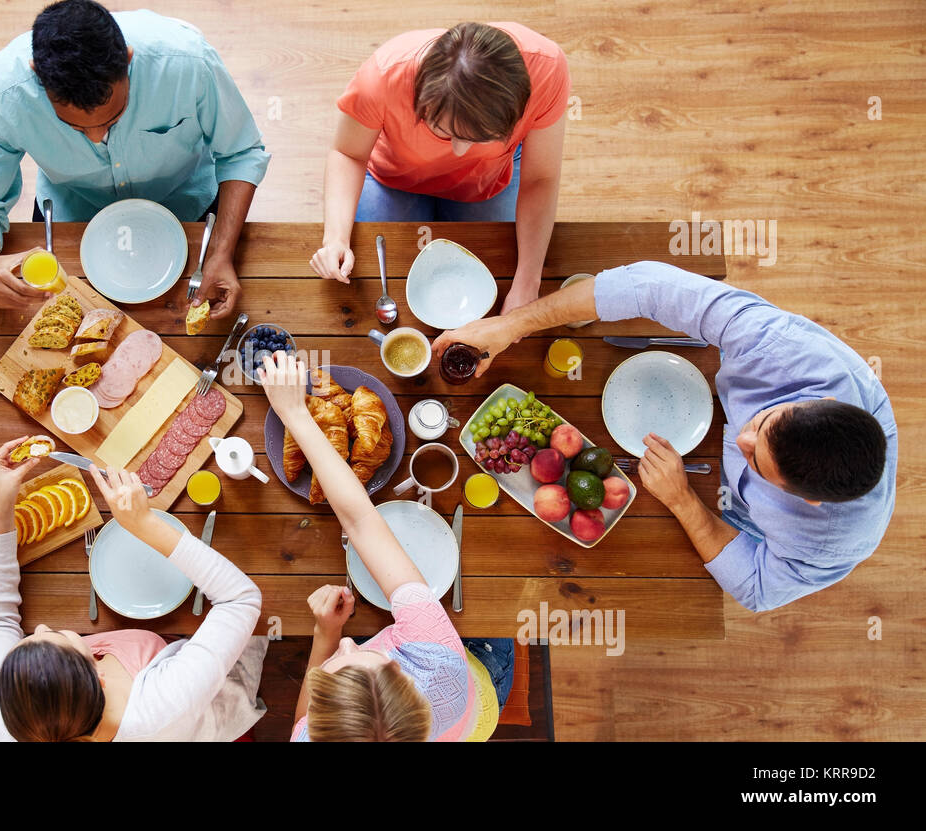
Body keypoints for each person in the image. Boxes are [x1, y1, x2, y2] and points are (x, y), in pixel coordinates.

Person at [434, 262, 897, 612]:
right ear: (808, 400)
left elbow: (757, 589)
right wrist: (511, 325)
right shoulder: (784, 350)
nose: (740, 443)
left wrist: (683, 500)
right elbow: (651, 287)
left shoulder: (831, 540)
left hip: (724, 514)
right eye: (760, 423)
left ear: (808, 501)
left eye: (757, 464)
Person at [0, 0, 270, 315]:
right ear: (38, 74)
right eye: (73, 126)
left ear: (128, 60)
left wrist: (222, 251)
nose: (95, 137)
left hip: (188, 203)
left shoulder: (188, 62)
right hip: (72, 216)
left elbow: (240, 152)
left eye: (112, 118)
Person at [259, 352, 492, 741]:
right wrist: (295, 414)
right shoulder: (437, 661)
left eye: (339, 660)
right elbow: (360, 520)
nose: (349, 643)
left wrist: (325, 636)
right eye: (364, 655)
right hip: (473, 700)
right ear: (406, 676)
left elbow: (304, 720)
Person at [0, 437, 267, 742]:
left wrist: (3, 501)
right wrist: (144, 524)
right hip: (213, 701)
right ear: (99, 680)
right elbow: (240, 599)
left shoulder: (6, 715)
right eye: (54, 636)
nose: (41, 627)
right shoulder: (163, 704)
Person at [310, 21, 569, 314]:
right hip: (392, 179)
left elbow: (540, 179)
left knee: (498, 264)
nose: (459, 151)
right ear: (422, 96)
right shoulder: (383, 76)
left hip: (487, 182)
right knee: (383, 266)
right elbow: (347, 153)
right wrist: (335, 239)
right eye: (444, 132)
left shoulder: (547, 70)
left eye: (478, 138)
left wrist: (527, 282)